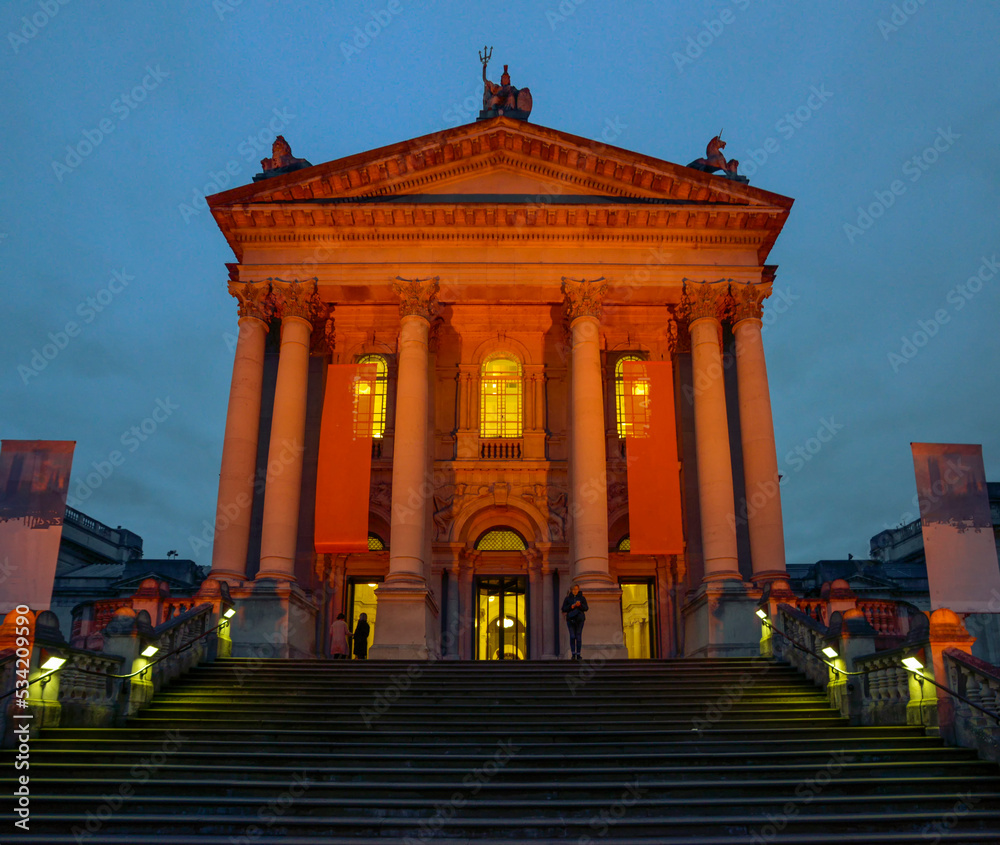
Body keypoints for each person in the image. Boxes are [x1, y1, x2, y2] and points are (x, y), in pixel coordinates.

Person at [561, 584, 588, 660]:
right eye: (573, 589)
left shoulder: (582, 598)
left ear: (578, 589)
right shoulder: (567, 598)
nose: (575, 591)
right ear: (571, 590)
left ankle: (578, 654)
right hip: (571, 619)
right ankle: (573, 653)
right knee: (572, 636)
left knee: (578, 636)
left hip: (579, 619)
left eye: (576, 589)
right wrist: (571, 606)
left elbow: (586, 608)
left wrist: (580, 605)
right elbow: (563, 608)